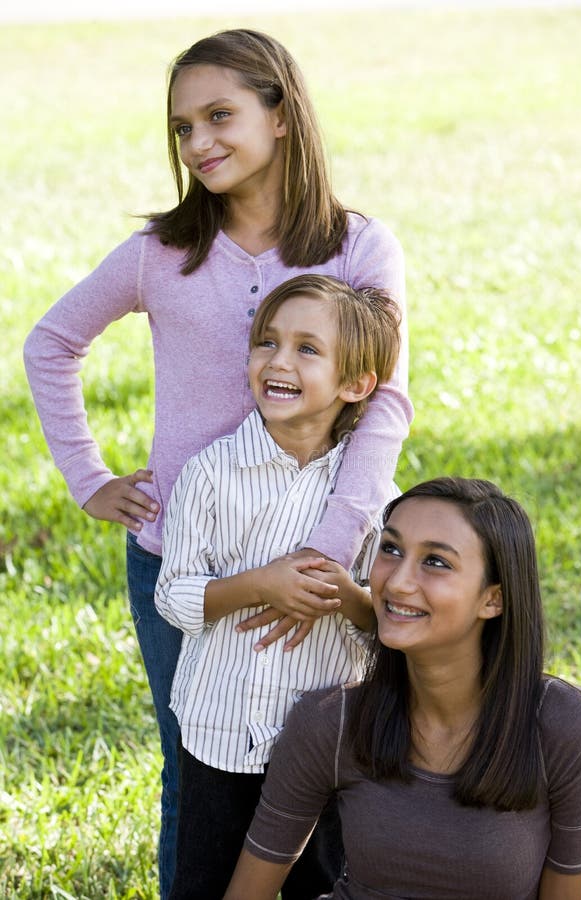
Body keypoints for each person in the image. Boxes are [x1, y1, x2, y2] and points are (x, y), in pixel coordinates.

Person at [22, 29, 412, 898]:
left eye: (219, 116)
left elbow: (385, 400)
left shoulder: (358, 246)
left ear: (281, 114)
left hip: (324, 563)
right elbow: (51, 344)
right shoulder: (161, 254)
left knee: (329, 770)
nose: (198, 142)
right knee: (193, 773)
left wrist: (325, 553)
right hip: (183, 564)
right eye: (182, 128)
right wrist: (90, 481)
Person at [224, 477, 581, 900]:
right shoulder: (331, 721)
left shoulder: (566, 725)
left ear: (493, 599)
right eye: (391, 549)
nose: (398, 582)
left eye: (435, 561)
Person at [154, 273, 401, 899]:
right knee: (206, 882)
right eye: (267, 341)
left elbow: (387, 625)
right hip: (218, 730)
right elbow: (174, 596)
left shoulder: (370, 499)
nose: (278, 360)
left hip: (326, 746)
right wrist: (260, 584)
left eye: (306, 349)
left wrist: (344, 594)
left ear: (356, 384)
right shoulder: (210, 473)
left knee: (316, 884)